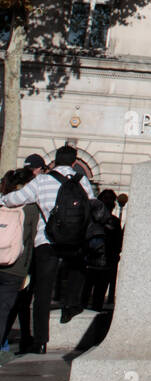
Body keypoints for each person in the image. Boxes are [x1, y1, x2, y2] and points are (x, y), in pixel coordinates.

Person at [0, 145, 95, 353]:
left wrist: (2, 200)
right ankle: (70, 306)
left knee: (42, 291)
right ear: (73, 163)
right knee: (77, 270)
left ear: (54, 163)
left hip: (46, 241)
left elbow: (16, 199)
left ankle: (40, 340)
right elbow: (92, 204)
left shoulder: (41, 181)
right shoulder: (82, 181)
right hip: (74, 241)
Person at [0, 170, 38, 355]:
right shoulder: (30, 208)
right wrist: (27, 270)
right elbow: (31, 241)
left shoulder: (2, 202)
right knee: (4, 310)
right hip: (15, 268)